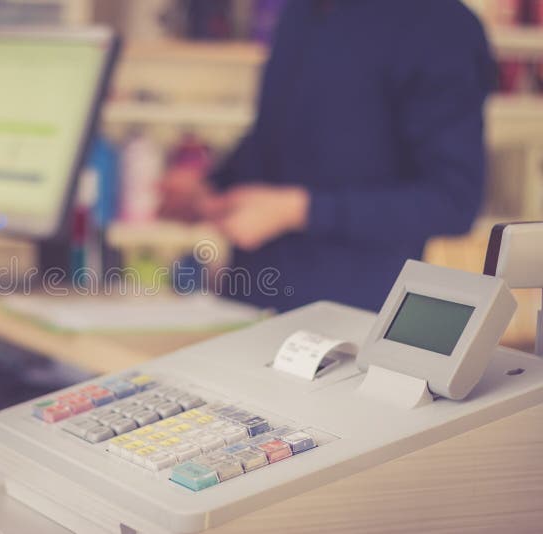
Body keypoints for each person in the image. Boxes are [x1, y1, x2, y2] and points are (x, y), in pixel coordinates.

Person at [160, 0, 495, 312]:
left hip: (346, 322)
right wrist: (210, 187)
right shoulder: (300, 10)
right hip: (249, 303)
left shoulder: (439, 24)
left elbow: (453, 202)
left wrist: (298, 210)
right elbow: (274, 133)